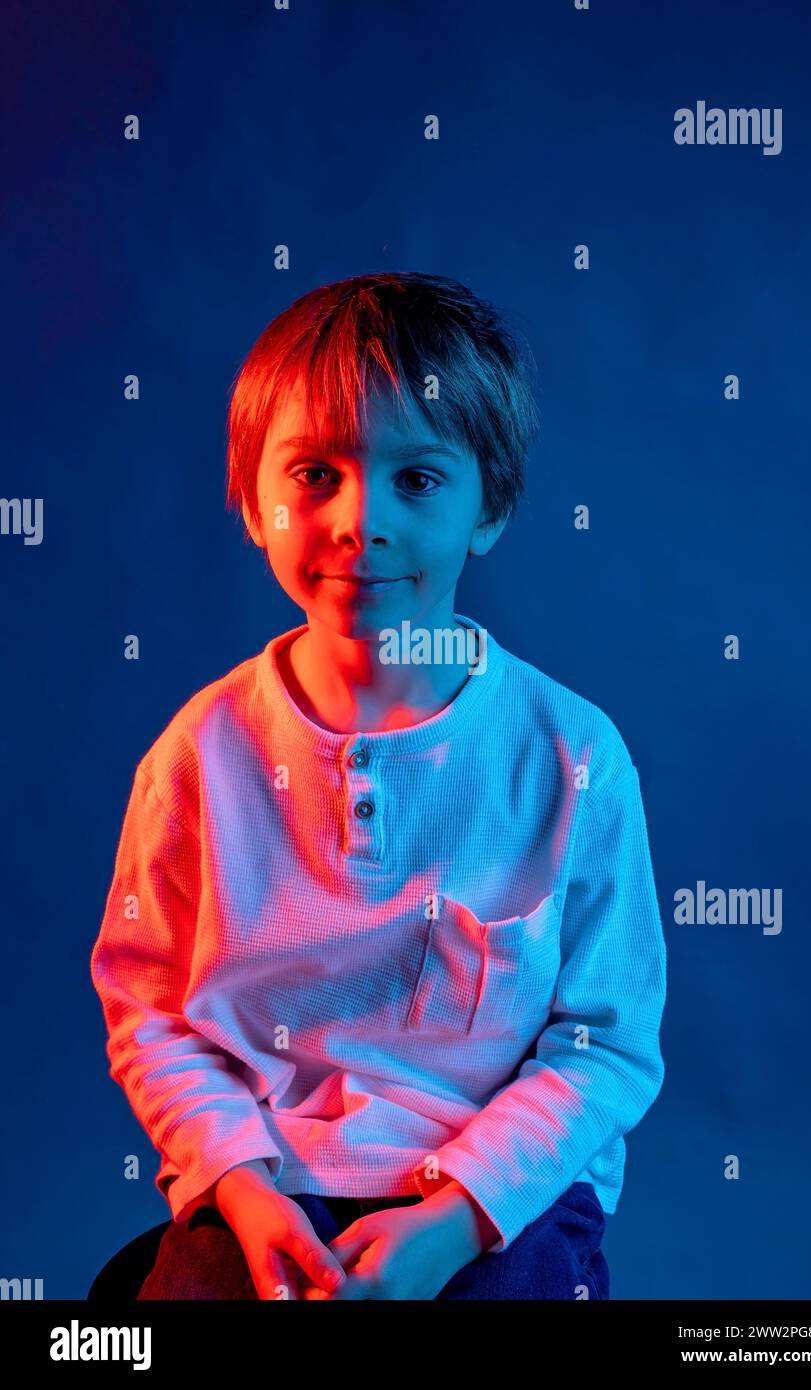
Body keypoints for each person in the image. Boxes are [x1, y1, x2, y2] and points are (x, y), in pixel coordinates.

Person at [90, 270, 667, 1300]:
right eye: (315, 474)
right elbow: (150, 1009)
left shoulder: (570, 755)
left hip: (498, 1187)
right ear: (250, 503)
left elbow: (602, 1046)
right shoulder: (197, 753)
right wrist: (239, 1181)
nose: (362, 521)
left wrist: (455, 1219)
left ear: (487, 505)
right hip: (273, 1171)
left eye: (417, 479)